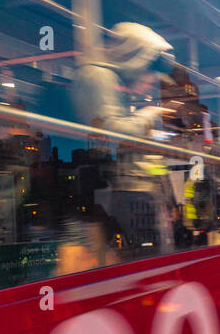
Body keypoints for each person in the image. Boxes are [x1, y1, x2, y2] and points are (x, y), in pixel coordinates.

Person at [72, 22, 178, 258]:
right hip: (109, 193)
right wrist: (149, 115)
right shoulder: (99, 76)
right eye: (149, 71)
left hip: (107, 192)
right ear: (134, 59)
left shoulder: (107, 80)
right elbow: (113, 132)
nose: (152, 81)